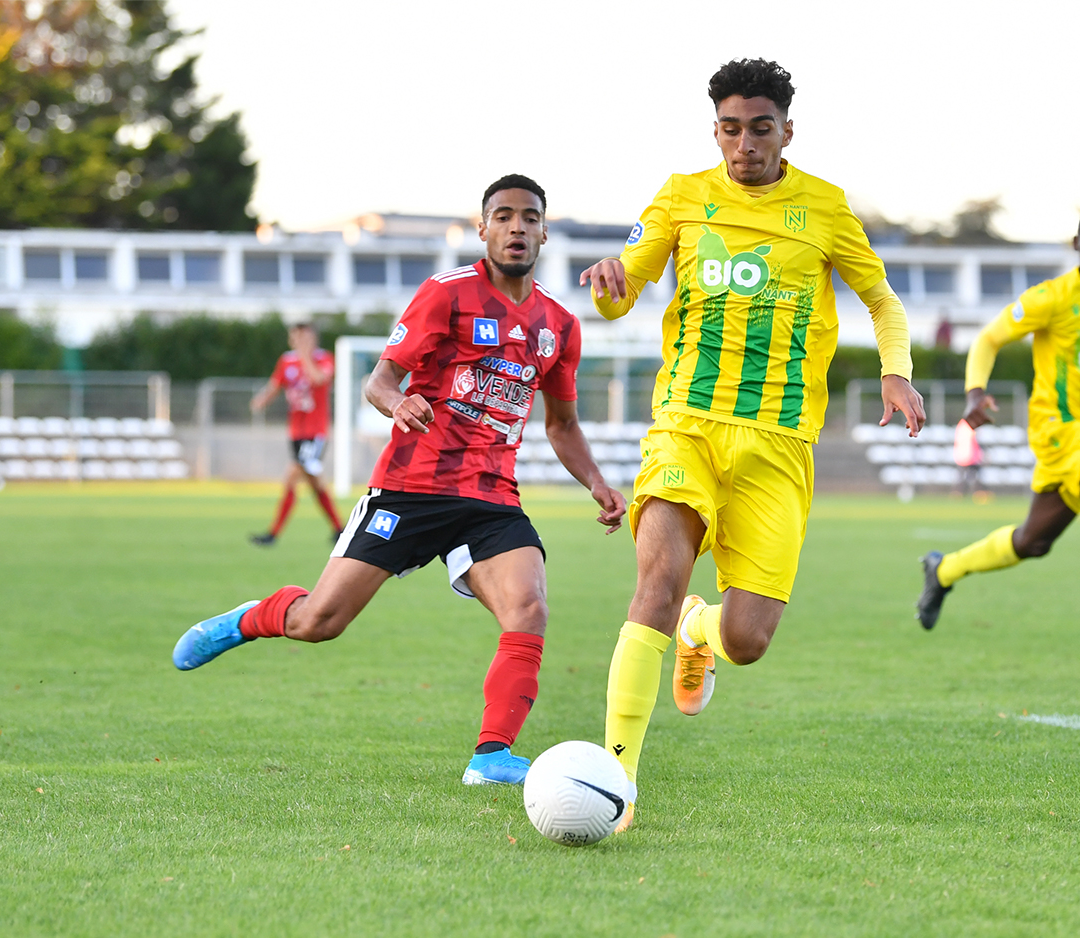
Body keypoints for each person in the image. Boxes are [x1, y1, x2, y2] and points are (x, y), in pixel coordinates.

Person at [172, 175, 627, 786]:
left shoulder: (558, 326)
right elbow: (380, 379)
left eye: (529, 217)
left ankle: (491, 756)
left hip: (491, 497)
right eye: (503, 216)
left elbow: (563, 424)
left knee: (528, 607)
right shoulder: (446, 294)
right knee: (320, 623)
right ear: (483, 227)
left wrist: (596, 482)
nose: (516, 227)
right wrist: (398, 404)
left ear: (545, 230)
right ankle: (250, 617)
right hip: (410, 489)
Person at [580, 59, 925, 831]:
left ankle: (701, 632)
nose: (744, 146)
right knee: (656, 581)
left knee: (747, 639)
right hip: (687, 425)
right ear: (716, 131)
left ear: (786, 131)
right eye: (730, 130)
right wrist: (607, 285)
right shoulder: (681, 196)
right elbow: (623, 290)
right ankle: (618, 785)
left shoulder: (827, 208)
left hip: (776, 444)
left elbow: (882, 299)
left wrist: (894, 373)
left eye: (759, 129)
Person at [915, 208, 1080, 674]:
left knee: (1031, 542)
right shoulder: (1052, 297)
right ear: (1077, 243)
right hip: (1056, 430)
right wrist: (975, 392)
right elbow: (988, 338)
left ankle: (943, 570)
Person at [248, 320, 343, 545]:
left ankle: (273, 534)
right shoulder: (286, 360)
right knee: (314, 482)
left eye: (303, 336)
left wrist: (305, 355)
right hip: (296, 432)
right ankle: (341, 529)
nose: (298, 340)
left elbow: (319, 379)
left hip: (316, 432)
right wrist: (261, 401)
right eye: (295, 336)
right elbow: (275, 385)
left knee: (291, 477)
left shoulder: (324, 358)